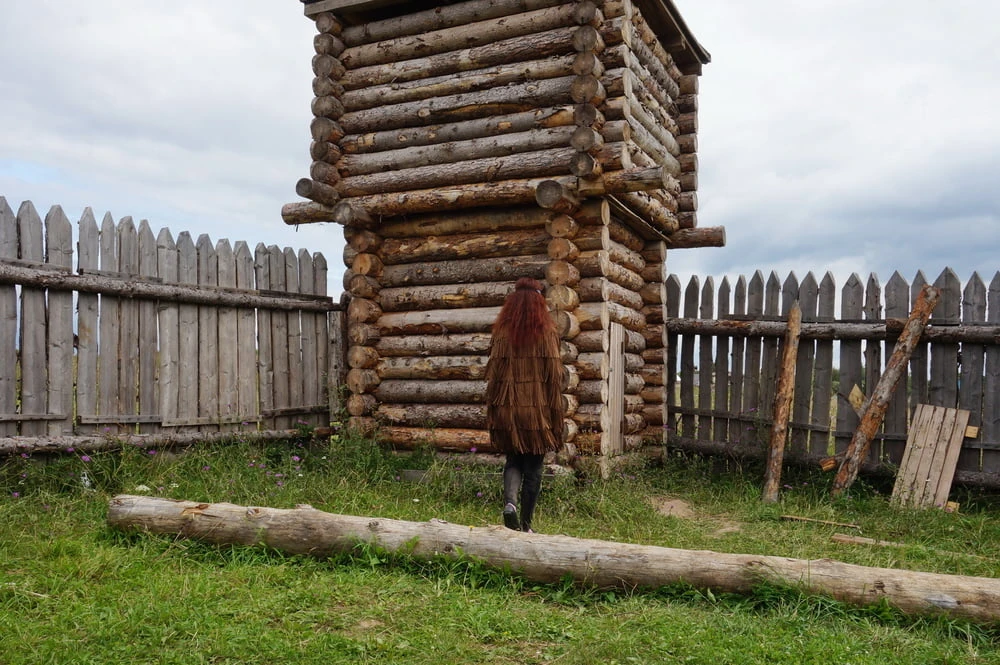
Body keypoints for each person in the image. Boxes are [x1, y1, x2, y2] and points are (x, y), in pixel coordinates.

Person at [485, 277, 565, 533]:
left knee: (513, 461)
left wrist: (496, 410)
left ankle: (510, 504)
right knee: (534, 467)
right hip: (536, 412)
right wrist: (555, 418)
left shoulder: (501, 334)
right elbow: (554, 378)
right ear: (539, 303)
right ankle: (527, 526)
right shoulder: (547, 334)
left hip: (508, 408)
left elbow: (493, 375)